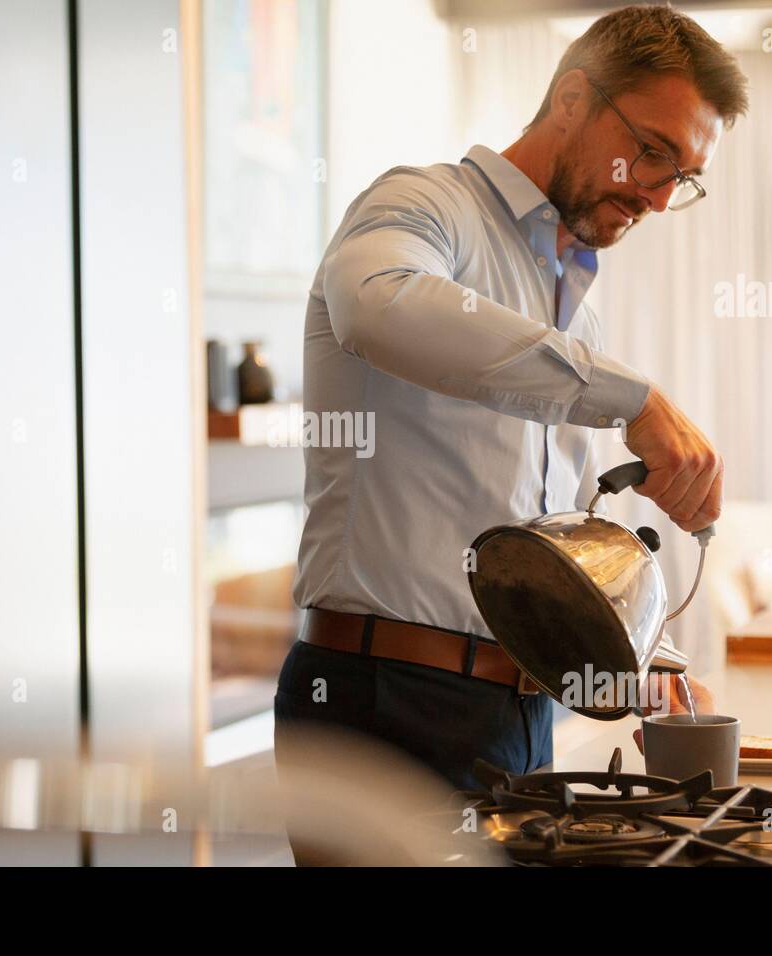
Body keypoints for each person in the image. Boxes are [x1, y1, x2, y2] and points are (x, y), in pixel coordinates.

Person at [275, 4, 745, 854]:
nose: (659, 195)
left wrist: (649, 667)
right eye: (650, 152)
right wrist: (633, 399)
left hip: (517, 723)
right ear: (572, 98)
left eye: (684, 177)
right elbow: (376, 306)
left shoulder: (576, 327)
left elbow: (551, 547)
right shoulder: (424, 205)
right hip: (378, 707)